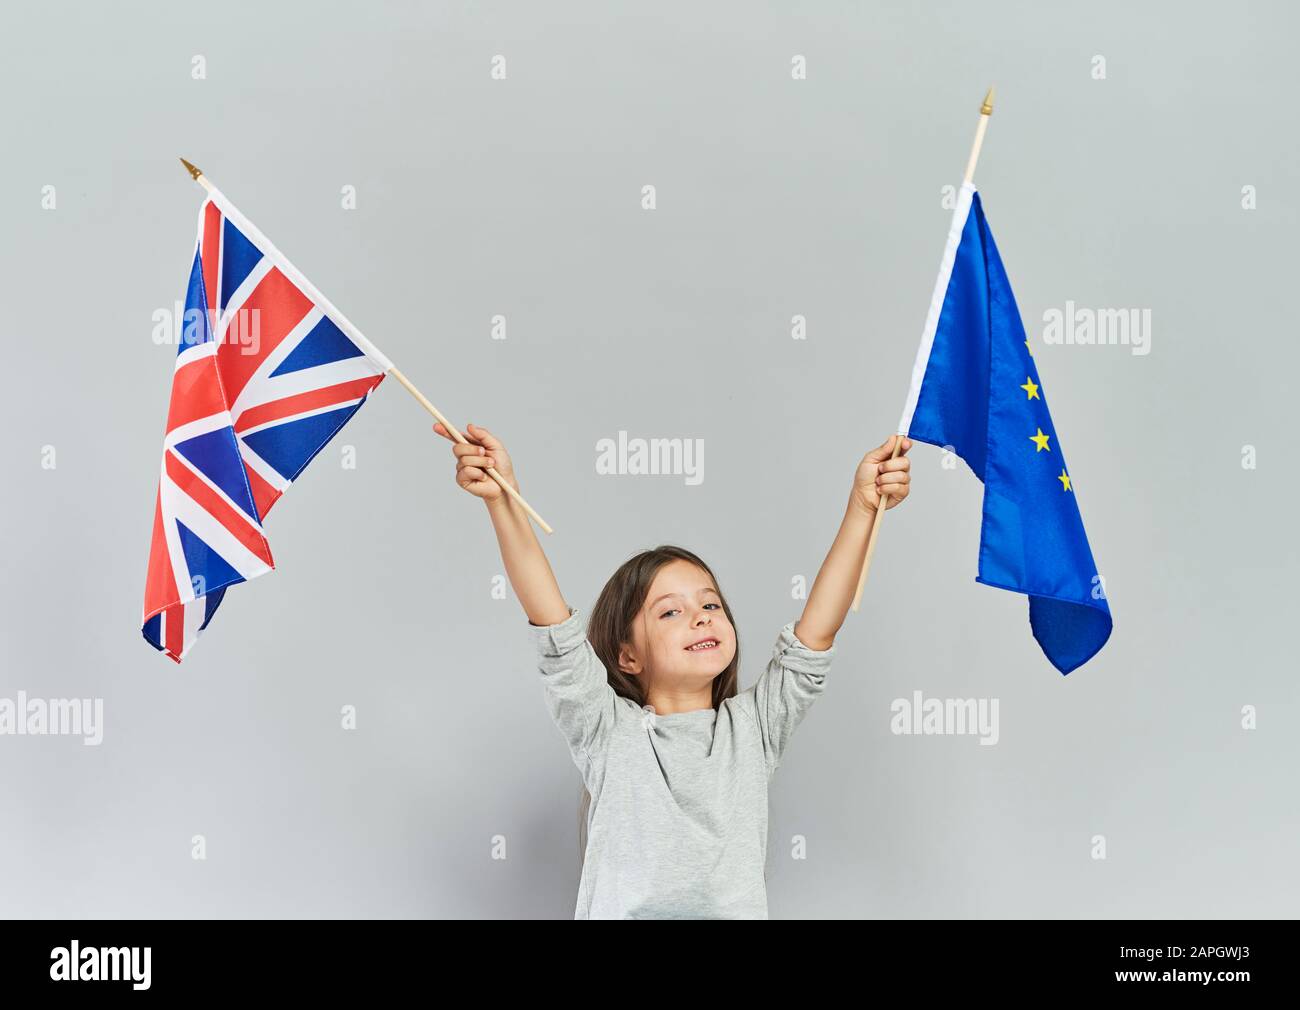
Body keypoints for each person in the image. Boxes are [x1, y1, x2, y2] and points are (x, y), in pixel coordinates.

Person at [432, 421, 912, 918]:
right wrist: (502, 500)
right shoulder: (607, 730)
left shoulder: (754, 728)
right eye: (669, 611)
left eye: (710, 604)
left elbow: (815, 635)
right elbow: (553, 623)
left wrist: (861, 509)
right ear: (627, 656)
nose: (701, 616)